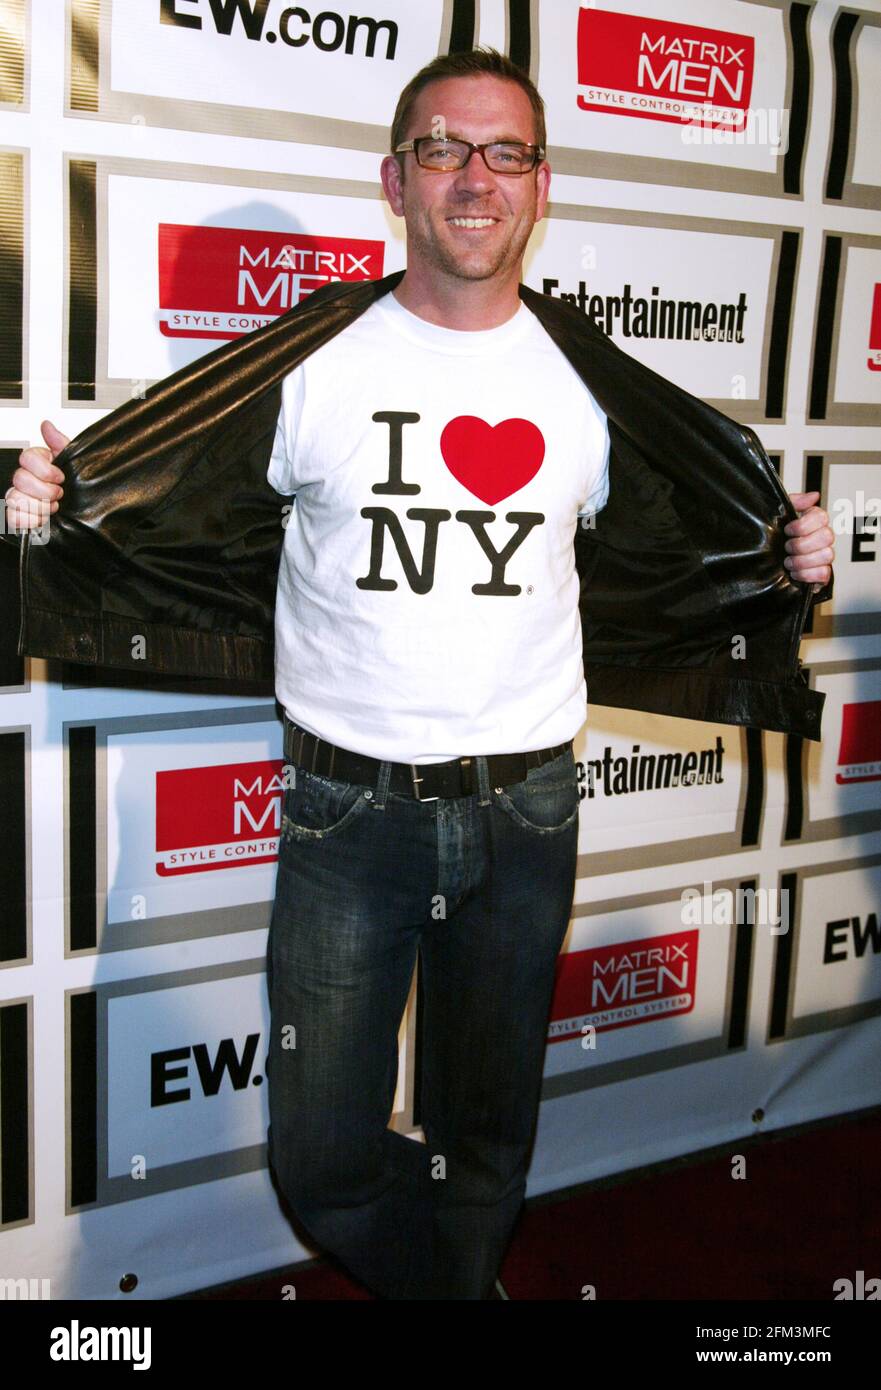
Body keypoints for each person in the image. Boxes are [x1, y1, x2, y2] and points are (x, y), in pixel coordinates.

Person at [5, 49, 834, 1301]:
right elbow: (167, 514)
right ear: (393, 177)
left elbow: (682, 565)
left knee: (484, 1143)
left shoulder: (587, 387)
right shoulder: (308, 365)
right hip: (349, 818)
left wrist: (788, 562)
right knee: (324, 1158)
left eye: (503, 152)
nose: (473, 177)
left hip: (527, 814)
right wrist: (53, 511)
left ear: (539, 185)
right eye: (443, 147)